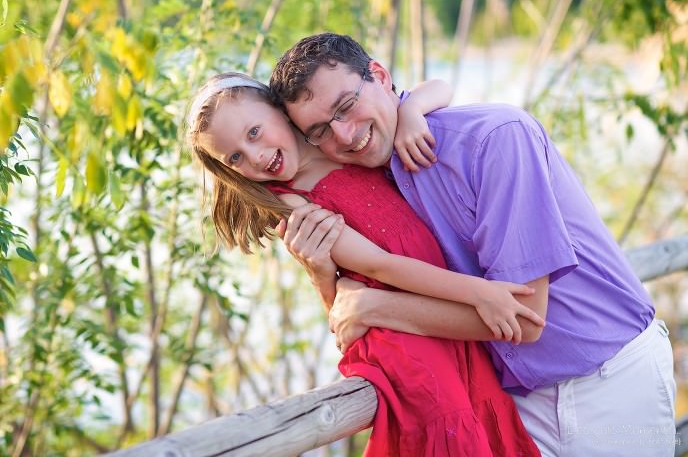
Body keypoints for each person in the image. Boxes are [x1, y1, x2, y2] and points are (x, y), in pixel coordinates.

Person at [268, 32, 677, 457]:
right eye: (320, 131)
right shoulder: (364, 185)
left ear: (380, 76)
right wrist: (322, 276)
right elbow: (351, 330)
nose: (345, 135)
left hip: (611, 381)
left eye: (347, 107)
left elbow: (523, 319)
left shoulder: (495, 139)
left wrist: (374, 307)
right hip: (511, 399)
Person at [188, 72, 542, 456]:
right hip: (401, 333)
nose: (255, 155)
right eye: (235, 157)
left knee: (481, 413)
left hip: (436, 314)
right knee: (450, 429)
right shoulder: (293, 203)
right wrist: (480, 292)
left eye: (254, 132)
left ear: (279, 109)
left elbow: (440, 86)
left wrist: (410, 112)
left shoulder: (342, 141)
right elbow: (380, 265)